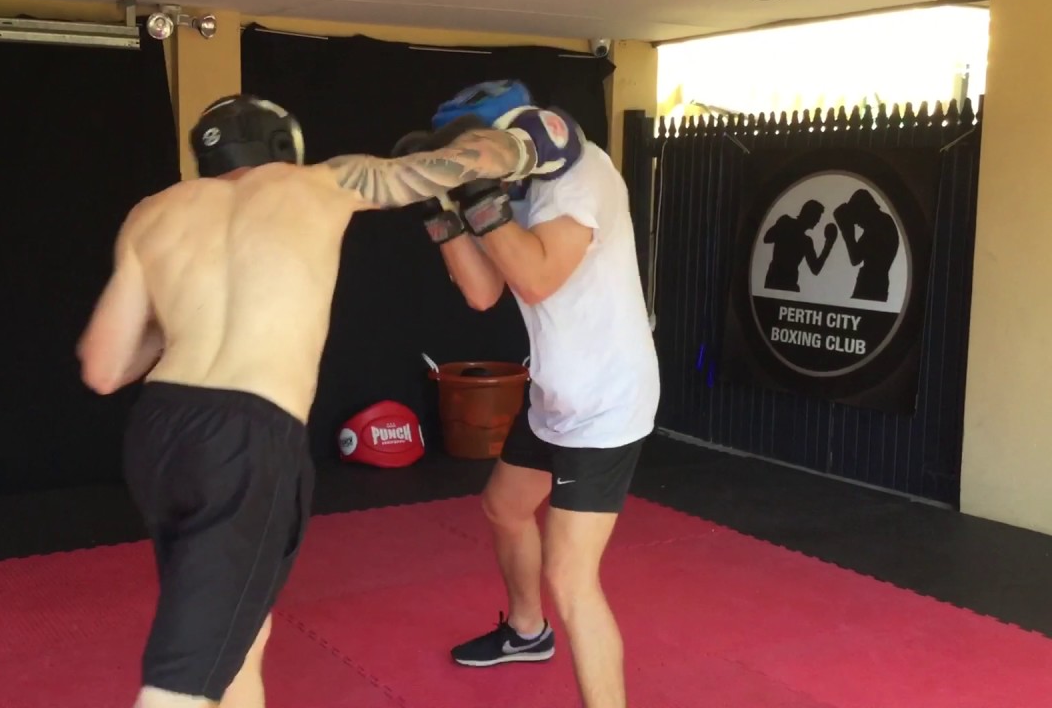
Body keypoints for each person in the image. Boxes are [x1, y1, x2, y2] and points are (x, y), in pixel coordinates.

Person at [77, 93, 574, 708]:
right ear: (284, 145)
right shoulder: (324, 182)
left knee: (236, 632)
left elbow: (103, 369)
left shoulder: (152, 212)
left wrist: (190, 316)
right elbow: (456, 165)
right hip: (247, 438)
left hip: (158, 432)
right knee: (177, 685)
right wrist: (527, 145)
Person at [392, 79, 661, 708]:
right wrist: (443, 211)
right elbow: (484, 292)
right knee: (505, 508)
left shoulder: (582, 176)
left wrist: (481, 196)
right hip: (553, 395)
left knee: (571, 576)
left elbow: (536, 277)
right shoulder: (521, 190)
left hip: (607, 402)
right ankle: (525, 631)